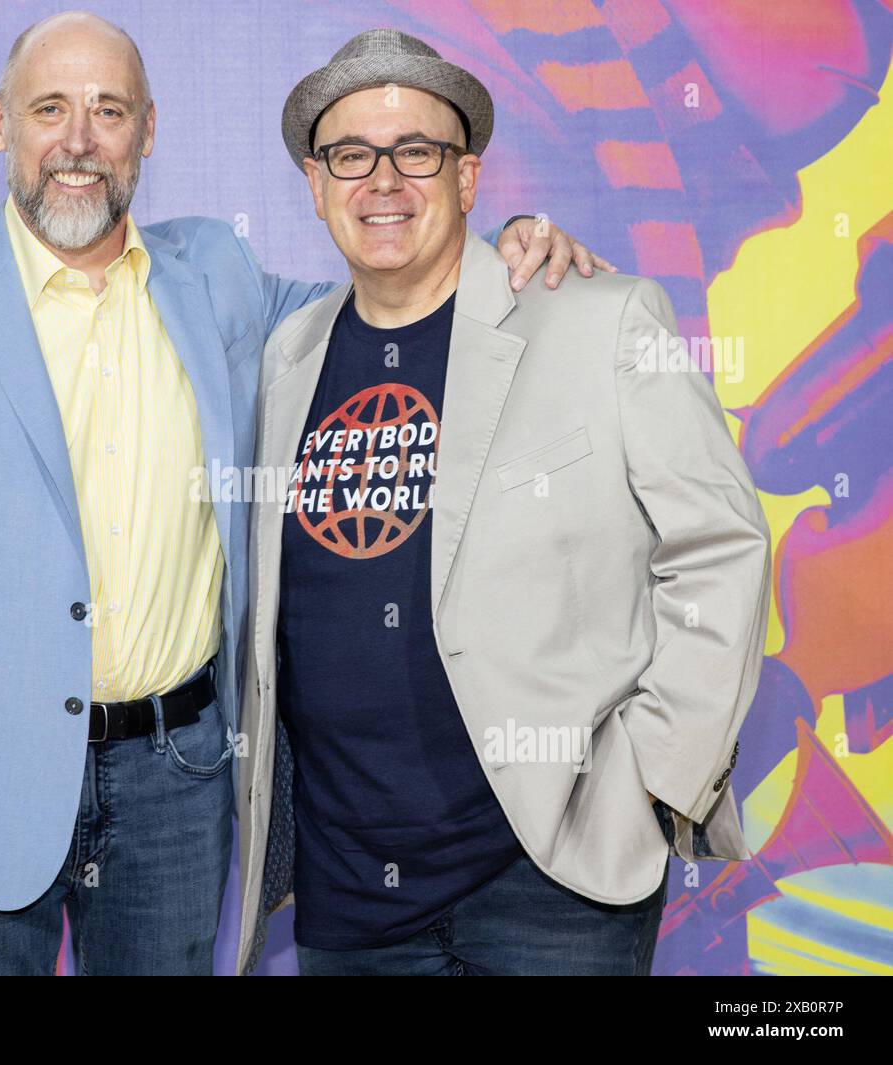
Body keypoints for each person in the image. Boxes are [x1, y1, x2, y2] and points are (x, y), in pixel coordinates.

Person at [0, 11, 608, 977]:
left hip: (180, 777)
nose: (78, 140)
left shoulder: (219, 277)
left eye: (109, 111)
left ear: (148, 131)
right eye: (50, 109)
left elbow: (386, 293)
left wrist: (510, 243)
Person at [236, 29, 772, 976]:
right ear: (316, 186)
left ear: (468, 178)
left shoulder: (598, 318)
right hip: (351, 895)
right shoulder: (288, 356)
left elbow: (721, 545)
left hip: (552, 883)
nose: (384, 180)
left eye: (418, 152)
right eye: (351, 155)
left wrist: (655, 777)